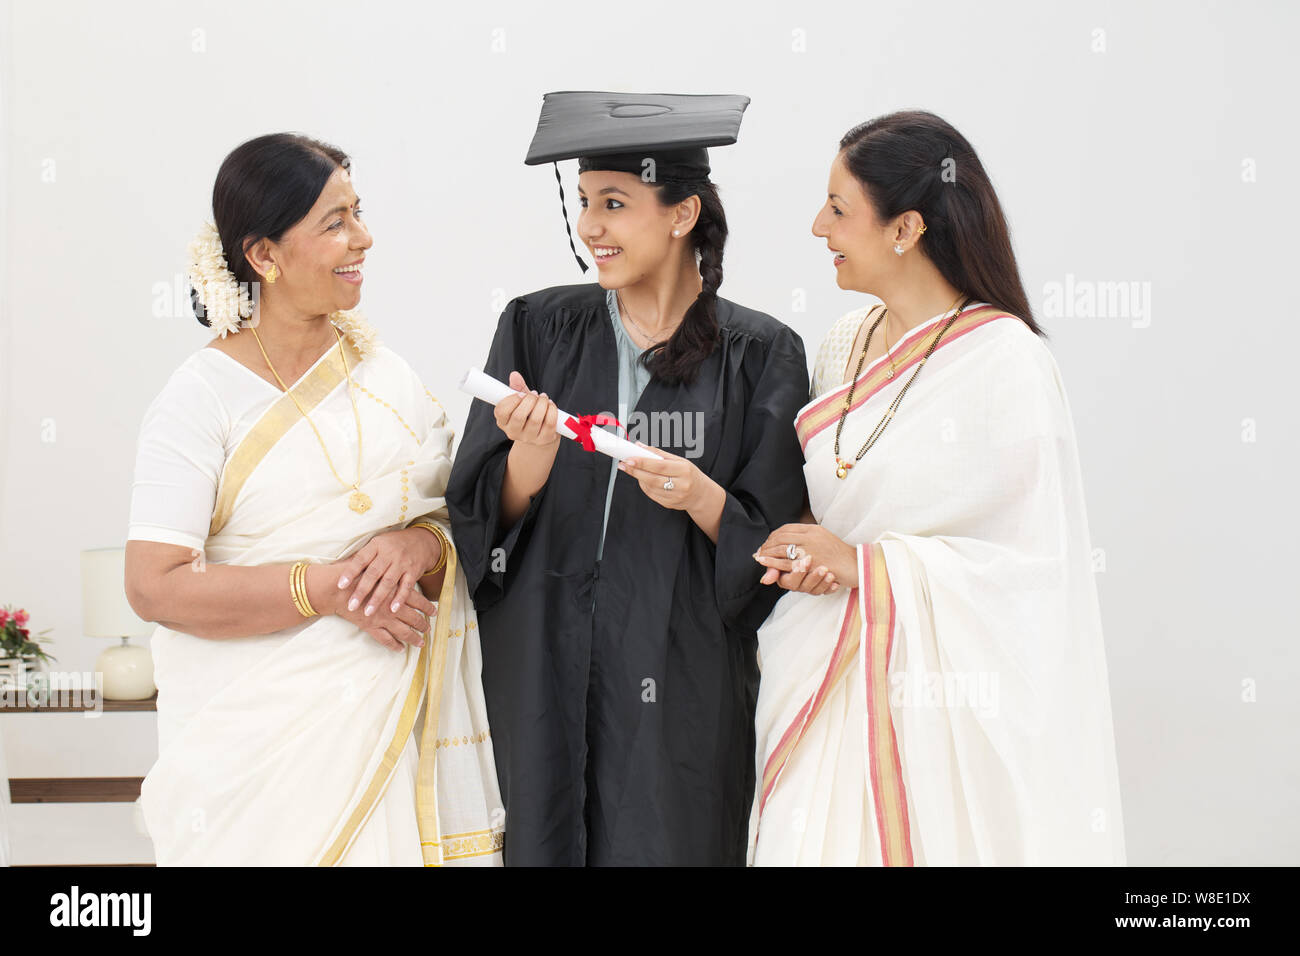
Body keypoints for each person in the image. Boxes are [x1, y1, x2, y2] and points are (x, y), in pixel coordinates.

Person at [748, 111, 1126, 866]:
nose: (817, 225)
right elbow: (832, 503)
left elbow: (1034, 574)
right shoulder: (841, 344)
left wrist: (866, 567)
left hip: (943, 708)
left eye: (838, 208)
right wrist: (810, 550)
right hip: (822, 673)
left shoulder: (1006, 361)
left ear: (905, 229)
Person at [446, 92, 809, 865]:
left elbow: (782, 545)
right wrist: (531, 459)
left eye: (614, 203)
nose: (590, 227)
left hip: (680, 668)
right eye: (583, 203)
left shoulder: (759, 353)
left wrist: (702, 496)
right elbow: (480, 523)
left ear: (681, 215)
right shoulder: (536, 325)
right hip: (542, 655)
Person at [125, 133, 502, 866]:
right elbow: (153, 584)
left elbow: (456, 511)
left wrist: (421, 543)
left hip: (393, 719)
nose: (363, 238)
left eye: (357, 213)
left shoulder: (387, 379)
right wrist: (328, 590)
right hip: (257, 755)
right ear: (262, 256)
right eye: (335, 222)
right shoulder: (199, 399)